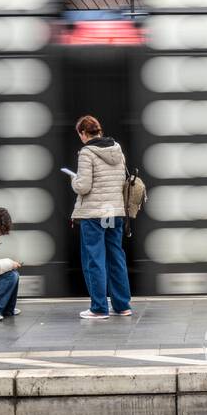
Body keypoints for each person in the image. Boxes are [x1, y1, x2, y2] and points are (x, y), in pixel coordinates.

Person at [70, 114, 133, 321]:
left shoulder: (87, 153)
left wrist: (74, 180)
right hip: (113, 211)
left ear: (83, 133)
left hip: (94, 214)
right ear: (100, 130)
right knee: (116, 257)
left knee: (94, 259)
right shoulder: (117, 149)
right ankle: (122, 305)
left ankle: (98, 308)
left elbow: (84, 186)